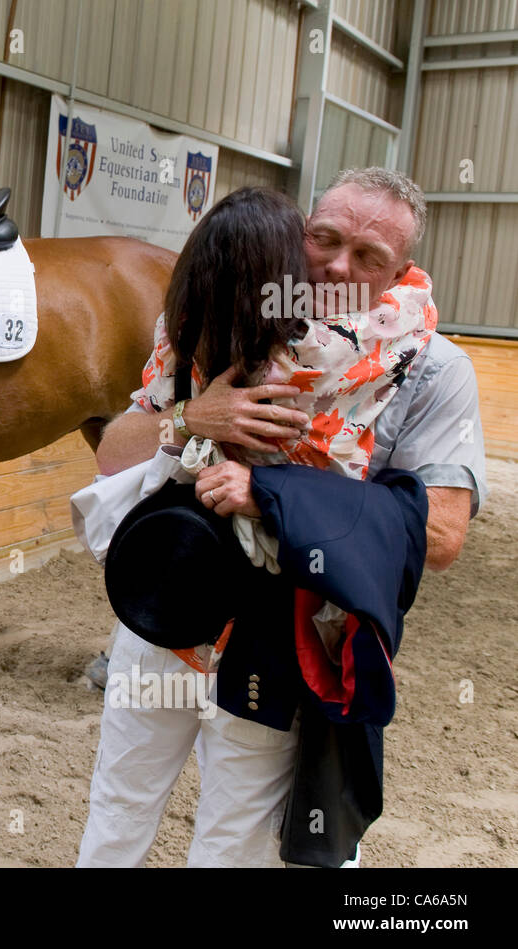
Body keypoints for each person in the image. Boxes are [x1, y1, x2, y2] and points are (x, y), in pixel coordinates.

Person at [77, 168, 486, 867]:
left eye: (368, 257)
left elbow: (441, 537)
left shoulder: (428, 368)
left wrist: (274, 496)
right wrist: (190, 417)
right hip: (170, 600)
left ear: (402, 270)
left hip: (283, 627)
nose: (335, 264)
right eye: (323, 239)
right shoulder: (226, 319)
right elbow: (114, 454)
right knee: (117, 806)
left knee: (233, 843)